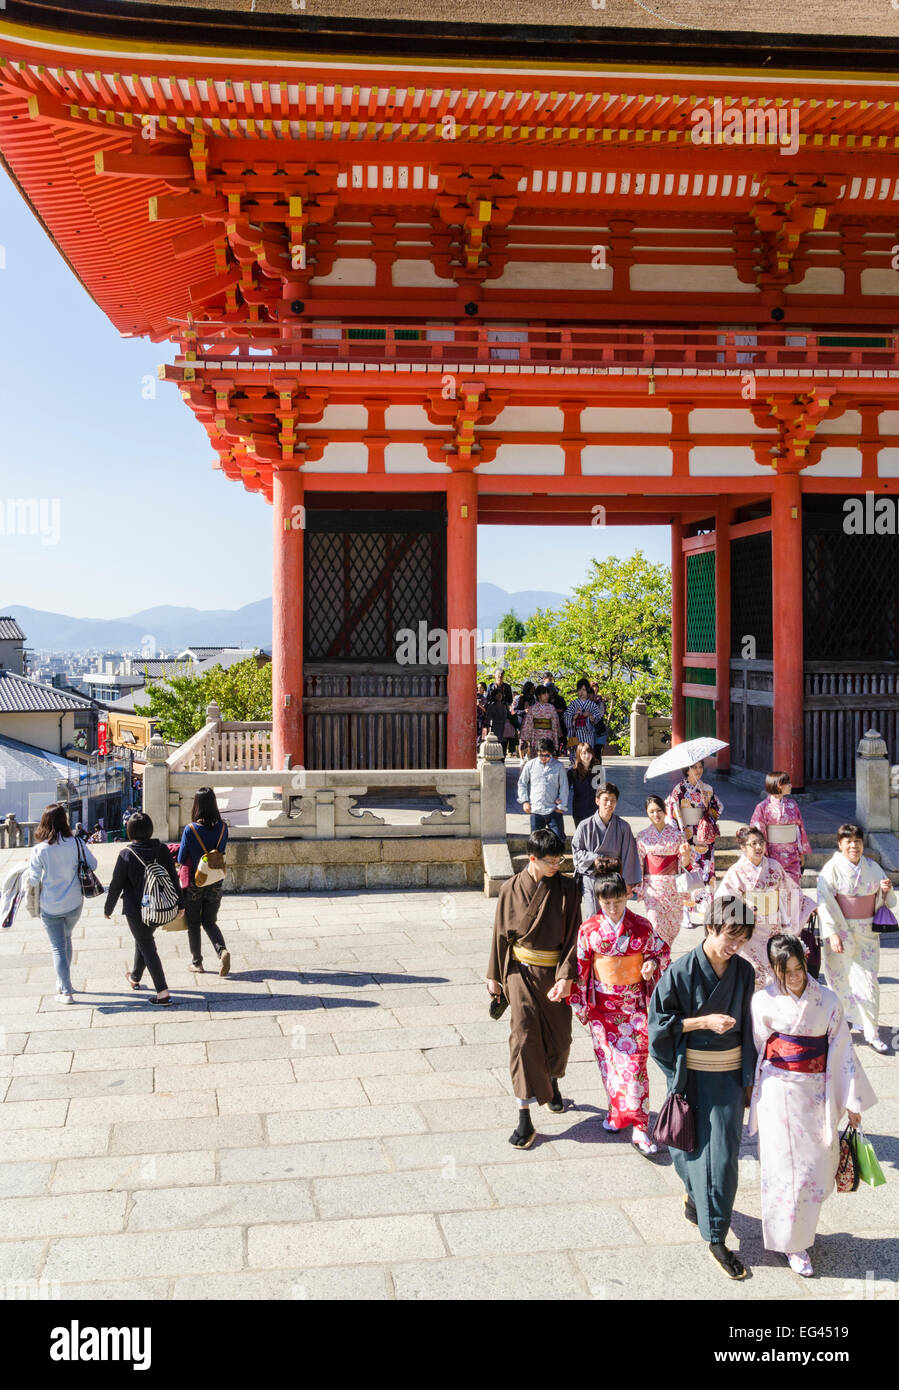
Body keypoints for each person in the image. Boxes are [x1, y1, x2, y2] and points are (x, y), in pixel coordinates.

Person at [748, 933, 875, 1278]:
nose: (793, 976)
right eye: (784, 971)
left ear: (806, 962)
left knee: (815, 1166)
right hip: (778, 1091)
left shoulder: (829, 1001)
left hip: (816, 1091)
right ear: (774, 971)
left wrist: (851, 1101)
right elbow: (763, 1043)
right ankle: (792, 1243)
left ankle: (800, 1232)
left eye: (797, 968)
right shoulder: (763, 1001)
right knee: (782, 1167)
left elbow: (843, 1049)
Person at [648, 895, 758, 1280]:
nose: (734, 945)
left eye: (742, 939)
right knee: (687, 1150)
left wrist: (749, 1078)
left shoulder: (744, 973)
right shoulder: (679, 972)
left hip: (728, 1079)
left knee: (724, 1158)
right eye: (730, 935)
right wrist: (701, 1022)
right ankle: (694, 1194)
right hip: (692, 1075)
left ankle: (716, 1237)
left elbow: (751, 1026)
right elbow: (658, 1027)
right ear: (710, 926)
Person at [551, 871, 669, 1154]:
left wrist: (651, 964)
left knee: (635, 1067)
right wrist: (577, 998)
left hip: (633, 1008)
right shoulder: (589, 929)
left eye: (618, 901)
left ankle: (640, 1127)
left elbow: (660, 951)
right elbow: (582, 967)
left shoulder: (641, 926)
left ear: (627, 896)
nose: (613, 908)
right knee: (610, 1065)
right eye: (607, 903)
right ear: (599, 901)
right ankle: (617, 1113)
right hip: (602, 1009)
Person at [486, 827, 581, 1149]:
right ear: (533, 858)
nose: (557, 865)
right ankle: (524, 1114)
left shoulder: (568, 888)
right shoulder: (511, 888)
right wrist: (493, 976)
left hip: (555, 972)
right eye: (551, 860)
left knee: (561, 1038)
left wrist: (568, 976)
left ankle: (552, 1080)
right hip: (519, 972)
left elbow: (574, 937)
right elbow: (500, 933)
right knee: (523, 1036)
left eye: (560, 859)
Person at [815, 823, 896, 1053]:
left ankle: (872, 1032)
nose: (854, 846)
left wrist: (885, 890)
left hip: (866, 932)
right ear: (840, 844)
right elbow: (825, 904)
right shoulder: (831, 869)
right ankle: (847, 1021)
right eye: (848, 842)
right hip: (840, 931)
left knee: (869, 982)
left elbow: (888, 901)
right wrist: (831, 934)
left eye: (857, 842)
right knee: (839, 981)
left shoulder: (872, 867)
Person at [716, 826, 815, 991]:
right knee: (754, 972)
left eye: (761, 842)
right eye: (753, 843)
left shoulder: (774, 866)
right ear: (743, 847)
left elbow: (790, 892)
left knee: (775, 968)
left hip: (774, 929)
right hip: (750, 931)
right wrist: (744, 908)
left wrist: (809, 906)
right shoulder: (737, 872)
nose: (758, 847)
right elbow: (724, 900)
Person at [104, 812, 182, 1007]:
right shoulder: (162, 850)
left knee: (147, 945)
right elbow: (173, 878)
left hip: (136, 910)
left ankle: (163, 993)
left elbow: (116, 885)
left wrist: (108, 908)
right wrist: (180, 904)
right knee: (144, 940)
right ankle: (135, 976)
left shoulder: (126, 854)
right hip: (160, 907)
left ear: (130, 831)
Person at [24, 803, 98, 1005]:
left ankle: (65, 991)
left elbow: (33, 880)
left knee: (57, 946)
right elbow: (94, 864)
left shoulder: (40, 850)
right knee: (67, 938)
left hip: (50, 905)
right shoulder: (76, 843)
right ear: (65, 821)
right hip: (74, 902)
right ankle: (66, 983)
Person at [176, 786, 231, 976]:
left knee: (194, 923)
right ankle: (222, 951)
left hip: (195, 883)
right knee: (210, 921)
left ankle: (197, 962)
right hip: (215, 881)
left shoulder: (191, 830)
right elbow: (221, 852)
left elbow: (182, 859)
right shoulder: (223, 827)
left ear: (196, 805)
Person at [571, 781, 641, 917]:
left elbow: (629, 856)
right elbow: (576, 853)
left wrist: (627, 883)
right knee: (593, 917)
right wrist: (594, 859)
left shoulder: (623, 827)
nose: (609, 804)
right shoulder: (585, 826)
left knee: (615, 916)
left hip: (615, 880)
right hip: (592, 879)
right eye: (606, 800)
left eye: (613, 800)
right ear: (597, 800)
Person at [635, 794, 695, 949]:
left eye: (659, 810)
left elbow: (685, 865)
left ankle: (664, 957)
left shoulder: (677, 836)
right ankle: (659, 960)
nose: (656, 815)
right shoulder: (643, 837)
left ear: (665, 811)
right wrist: (638, 886)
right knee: (655, 925)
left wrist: (686, 855)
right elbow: (639, 864)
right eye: (651, 812)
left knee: (673, 926)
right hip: (653, 888)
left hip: (673, 887)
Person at [664, 759, 723, 908]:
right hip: (687, 835)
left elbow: (719, 808)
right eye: (694, 767)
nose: (698, 770)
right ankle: (688, 907)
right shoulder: (679, 789)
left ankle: (707, 904)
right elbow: (673, 813)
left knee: (707, 868)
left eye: (700, 767)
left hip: (704, 834)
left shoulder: (707, 788)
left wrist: (708, 809)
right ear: (687, 769)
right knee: (691, 868)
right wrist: (679, 833)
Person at [750, 771, 811, 886]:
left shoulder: (793, 804)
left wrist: (801, 852)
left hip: (792, 854)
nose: (791, 785)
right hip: (772, 855)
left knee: (793, 889)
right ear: (779, 785)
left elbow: (799, 829)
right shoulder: (763, 807)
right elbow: (758, 833)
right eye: (788, 783)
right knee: (774, 890)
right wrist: (762, 854)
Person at [517, 738, 567, 841]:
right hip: (536, 809)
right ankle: (535, 857)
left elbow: (564, 786)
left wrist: (561, 806)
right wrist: (525, 801)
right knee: (536, 840)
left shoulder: (558, 766)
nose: (544, 758)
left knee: (558, 838)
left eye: (547, 755)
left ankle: (557, 856)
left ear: (551, 753)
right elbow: (522, 783)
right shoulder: (530, 765)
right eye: (541, 755)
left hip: (553, 809)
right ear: (537, 753)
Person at [564, 679, 606, 759]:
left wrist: (590, 715)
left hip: (588, 734)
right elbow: (566, 716)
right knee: (576, 755)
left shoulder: (592, 705)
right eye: (579, 690)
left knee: (588, 754)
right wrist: (574, 717)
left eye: (583, 690)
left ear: (587, 691)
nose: (581, 692)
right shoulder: (573, 704)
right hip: (576, 734)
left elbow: (597, 717)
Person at [518, 685, 562, 754]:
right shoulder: (532, 708)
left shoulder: (552, 708)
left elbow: (555, 724)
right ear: (538, 695)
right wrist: (526, 738)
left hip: (548, 735)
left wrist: (555, 737)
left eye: (547, 693)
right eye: (544, 694)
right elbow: (528, 724)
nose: (547, 695)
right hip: (536, 735)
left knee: (547, 755)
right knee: (536, 756)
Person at [567, 742, 601, 829]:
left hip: (594, 809)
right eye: (584, 753)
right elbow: (565, 788)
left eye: (589, 752)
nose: (587, 756)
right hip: (579, 808)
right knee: (581, 836)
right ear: (579, 754)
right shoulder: (572, 771)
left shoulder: (597, 768)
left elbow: (601, 789)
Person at [512, 680, 536, 761]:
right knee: (522, 741)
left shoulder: (533, 698)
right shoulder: (520, 697)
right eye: (532, 688)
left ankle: (528, 756)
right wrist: (524, 711)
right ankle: (522, 758)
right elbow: (514, 711)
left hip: (531, 721)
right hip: (521, 721)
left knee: (530, 740)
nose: (533, 690)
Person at [590, 683, 608, 765]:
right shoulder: (585, 701)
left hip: (599, 729)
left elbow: (601, 713)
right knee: (590, 751)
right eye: (593, 687)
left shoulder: (600, 700)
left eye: (596, 687)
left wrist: (594, 719)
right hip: (588, 730)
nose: (595, 689)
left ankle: (598, 770)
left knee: (597, 751)